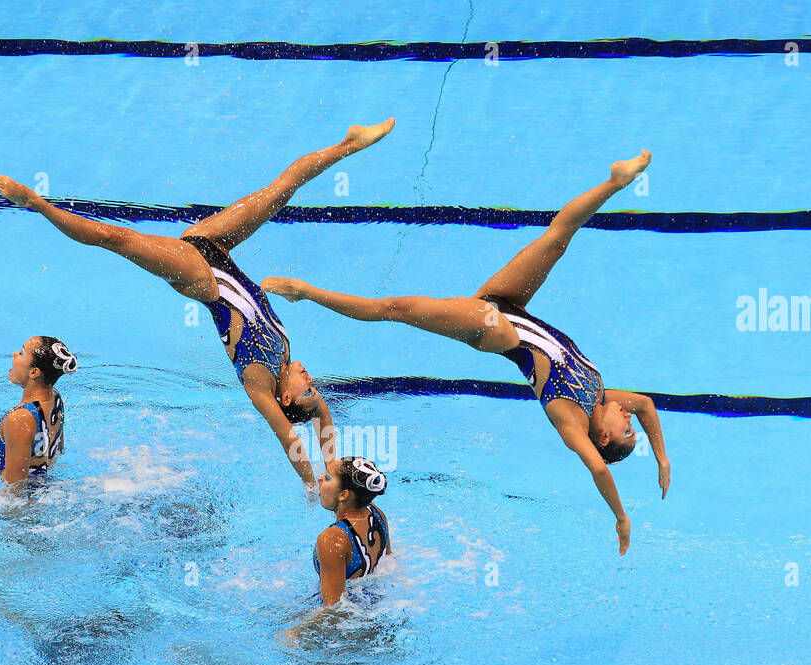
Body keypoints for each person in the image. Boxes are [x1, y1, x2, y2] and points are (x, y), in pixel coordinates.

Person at [264, 151, 671, 554]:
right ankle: (615, 182)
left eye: (626, 430)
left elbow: (598, 467)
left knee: (395, 309)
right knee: (556, 239)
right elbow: (649, 406)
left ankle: (307, 292)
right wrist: (662, 459)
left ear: (602, 435)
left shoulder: (571, 418)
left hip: (494, 330)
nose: (629, 416)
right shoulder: (603, 397)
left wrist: (620, 516)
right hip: (510, 305)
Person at [0, 119, 396, 493]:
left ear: (286, 399)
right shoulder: (290, 366)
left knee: (118, 239)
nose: (310, 378)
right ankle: (349, 143)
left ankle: (38, 204)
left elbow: (288, 435)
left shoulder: (258, 382)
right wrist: (331, 466)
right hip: (214, 245)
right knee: (280, 191)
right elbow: (322, 417)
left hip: (201, 277)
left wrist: (312, 484)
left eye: (307, 387)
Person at [0, 335, 77, 488]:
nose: (14, 354)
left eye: (22, 353)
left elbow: (14, 490)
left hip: (29, 502)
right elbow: (58, 450)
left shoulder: (20, 418)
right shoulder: (55, 398)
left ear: (34, 372)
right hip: (46, 489)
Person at [314, 457, 391, 605]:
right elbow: (389, 563)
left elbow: (333, 611)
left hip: (351, 619)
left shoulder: (332, 539)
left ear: (343, 494)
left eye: (328, 478)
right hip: (371, 602)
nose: (320, 478)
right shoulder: (377, 514)